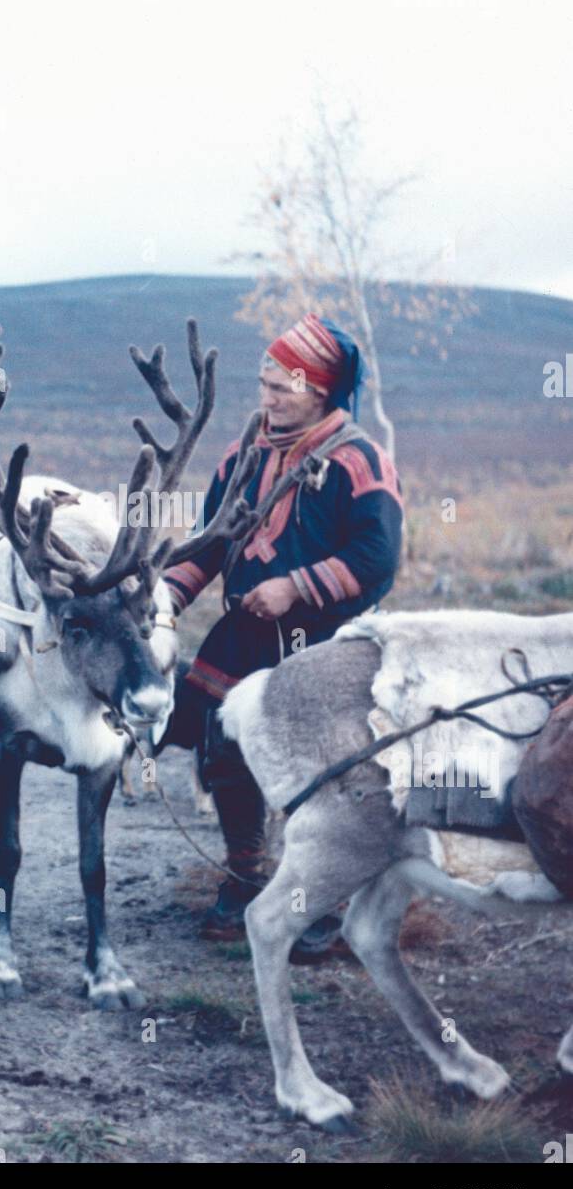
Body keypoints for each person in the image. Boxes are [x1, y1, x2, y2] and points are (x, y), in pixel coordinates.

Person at [156, 313, 404, 945]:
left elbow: (377, 560)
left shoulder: (360, 462)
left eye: (280, 389)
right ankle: (245, 874)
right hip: (243, 639)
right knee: (224, 751)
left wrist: (295, 587)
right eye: (263, 385)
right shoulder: (244, 456)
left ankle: (317, 903)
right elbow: (210, 545)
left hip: (327, 646)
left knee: (316, 772)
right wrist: (163, 603)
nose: (265, 398)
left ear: (319, 391)